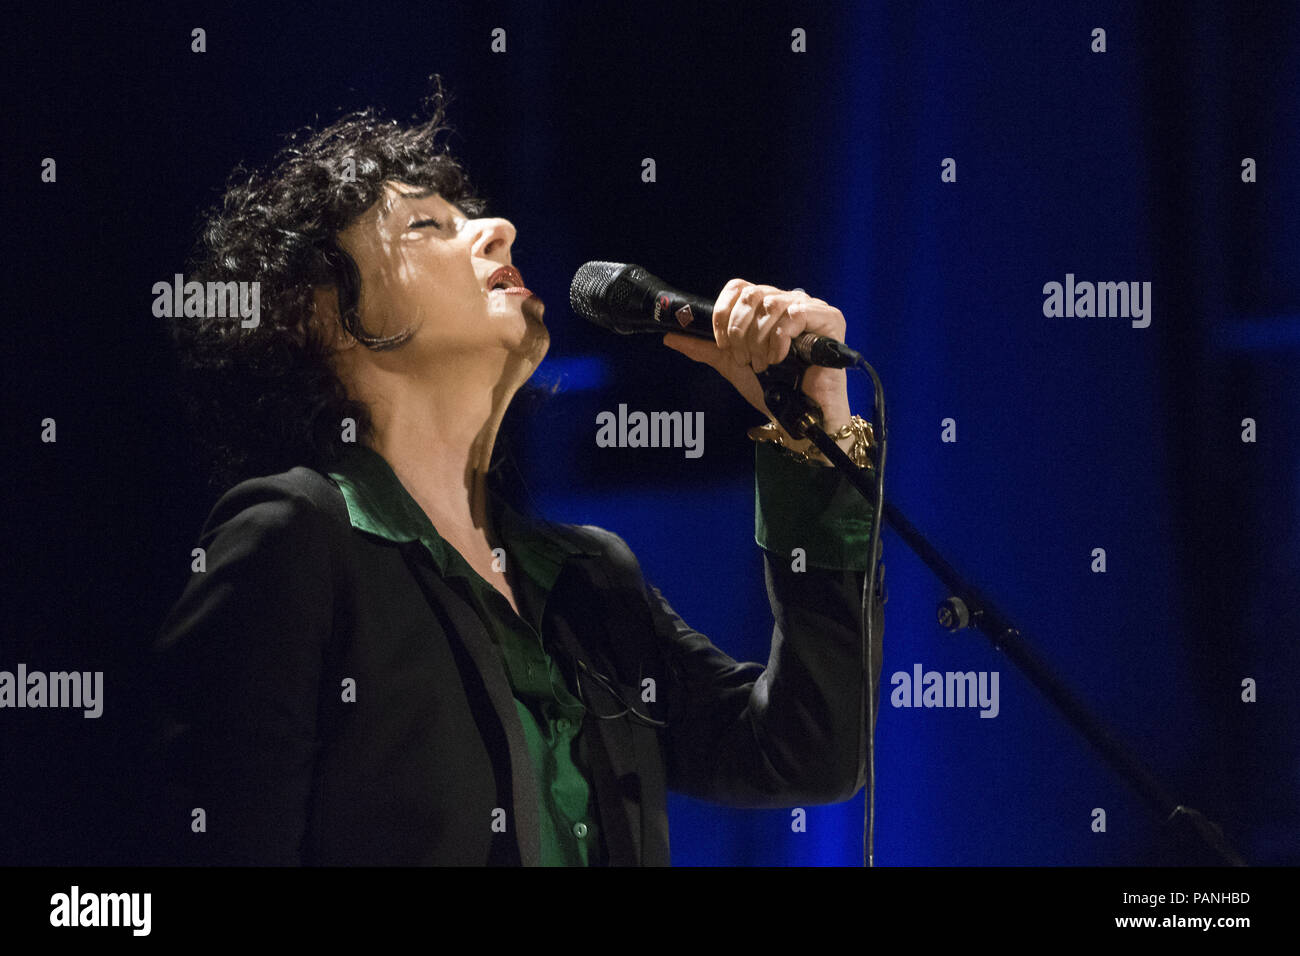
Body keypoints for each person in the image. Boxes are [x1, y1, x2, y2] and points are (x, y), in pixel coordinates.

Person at [154, 78, 883, 866]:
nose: (500, 229)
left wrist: (811, 427)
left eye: (475, 215)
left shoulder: (587, 579)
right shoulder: (293, 541)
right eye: (429, 225)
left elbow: (807, 750)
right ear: (320, 316)